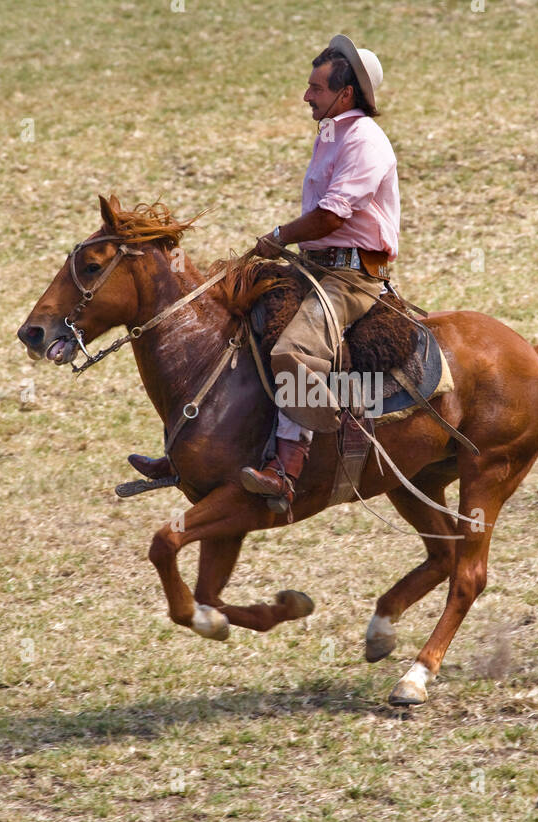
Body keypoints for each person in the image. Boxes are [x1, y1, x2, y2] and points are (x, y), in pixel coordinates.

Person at [128, 34, 400, 513]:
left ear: (346, 94)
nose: (306, 95)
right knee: (231, 323)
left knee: (293, 351)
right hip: (317, 268)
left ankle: (287, 468)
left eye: (316, 87)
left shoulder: (365, 142)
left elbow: (333, 216)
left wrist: (279, 236)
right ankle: (192, 451)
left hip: (352, 280)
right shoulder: (334, 135)